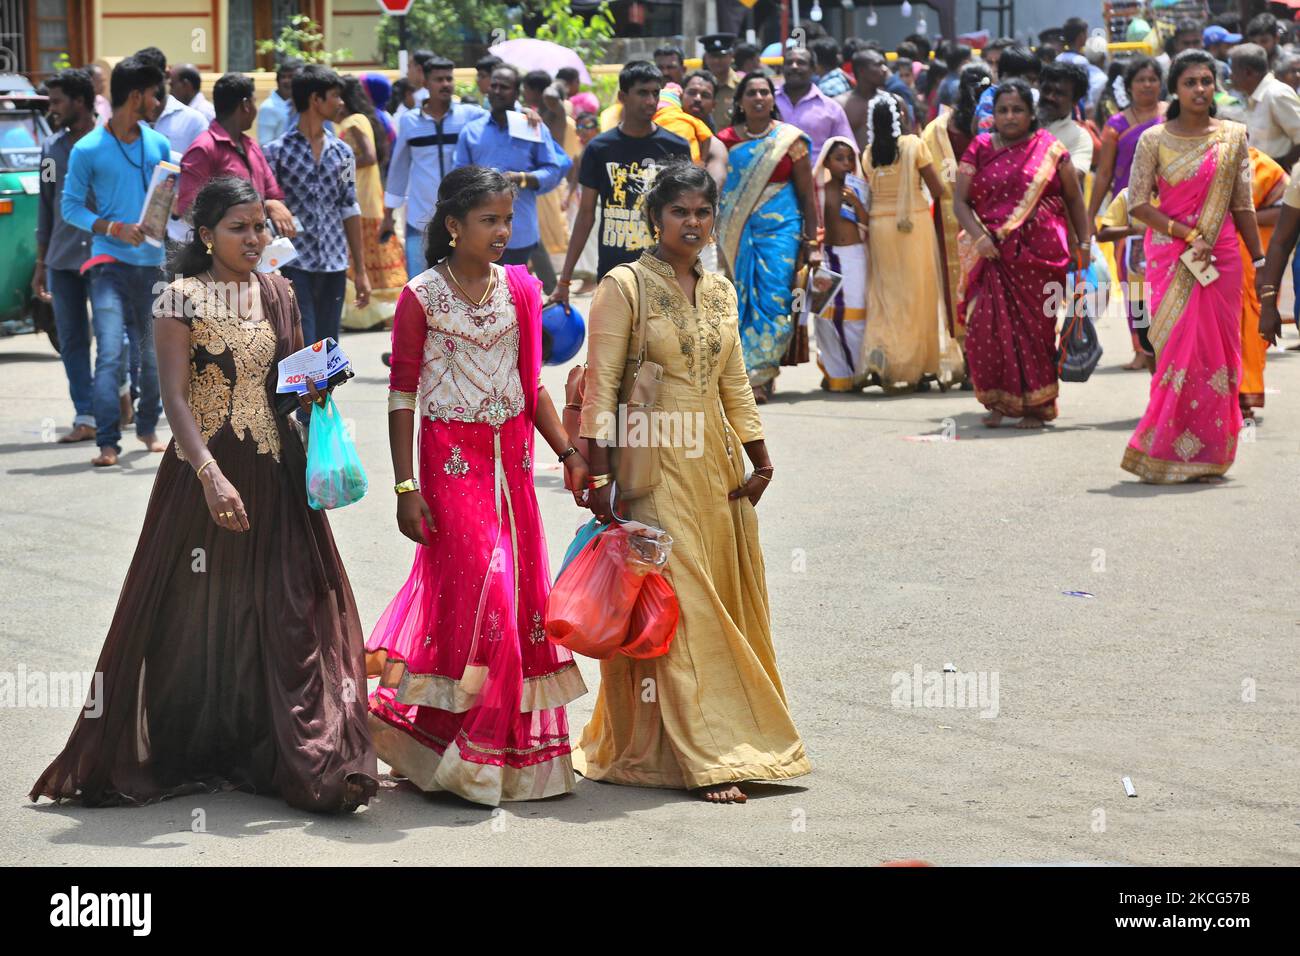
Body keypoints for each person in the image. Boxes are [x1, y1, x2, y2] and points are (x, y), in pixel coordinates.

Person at [30, 176, 379, 813]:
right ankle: (194, 744)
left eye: (260, 227)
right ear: (205, 235)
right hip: (204, 475)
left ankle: (294, 752)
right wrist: (210, 475)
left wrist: (318, 380)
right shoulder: (179, 297)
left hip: (275, 470)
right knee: (190, 611)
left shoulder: (278, 290)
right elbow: (175, 400)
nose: (254, 238)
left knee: (290, 606)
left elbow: (287, 381)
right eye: (238, 228)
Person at [576, 161, 810, 804]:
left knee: (721, 595)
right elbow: (600, 386)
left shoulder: (721, 290)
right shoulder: (624, 286)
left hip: (716, 462)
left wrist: (761, 459)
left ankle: (669, 745)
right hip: (651, 459)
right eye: (680, 211)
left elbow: (734, 382)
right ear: (655, 217)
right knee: (682, 599)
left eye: (703, 213)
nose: (693, 223)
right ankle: (709, 752)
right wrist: (596, 473)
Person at [365, 166, 589, 806]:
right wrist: (406, 485)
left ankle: (484, 753)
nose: (501, 232)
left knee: (514, 607)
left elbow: (530, 388)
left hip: (511, 464)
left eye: (507, 220)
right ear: (453, 225)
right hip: (450, 464)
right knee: (484, 591)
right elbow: (402, 395)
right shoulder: (420, 296)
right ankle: (469, 754)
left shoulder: (520, 288)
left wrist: (567, 453)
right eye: (488, 220)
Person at [1122, 50, 1264, 482]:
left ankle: (1211, 453)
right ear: (1176, 89)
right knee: (1177, 352)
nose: (1200, 89)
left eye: (1206, 81)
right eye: (1190, 82)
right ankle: (1164, 449)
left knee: (1218, 354)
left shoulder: (1233, 137)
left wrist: (1260, 260)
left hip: (1221, 259)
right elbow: (1138, 204)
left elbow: (1242, 204)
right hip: (1173, 256)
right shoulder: (1153, 139)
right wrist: (1186, 234)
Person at [954, 79, 1092, 428]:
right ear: (993, 115)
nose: (1010, 116)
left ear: (1032, 114)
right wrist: (979, 238)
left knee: (1036, 331)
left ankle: (1037, 404)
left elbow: (1074, 200)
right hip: (991, 253)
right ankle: (999, 400)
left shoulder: (1051, 149)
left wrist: (1084, 244)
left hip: (1039, 254)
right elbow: (960, 202)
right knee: (985, 328)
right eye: (1003, 110)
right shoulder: (980, 147)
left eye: (1018, 110)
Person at [63, 55, 170, 467]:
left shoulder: (158, 143)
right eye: (154, 94)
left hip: (152, 262)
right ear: (136, 95)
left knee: (153, 352)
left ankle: (147, 428)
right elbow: (71, 208)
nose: (159, 102)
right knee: (110, 350)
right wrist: (113, 228)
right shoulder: (88, 148)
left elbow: (164, 200)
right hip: (107, 262)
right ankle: (107, 441)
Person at [717, 70, 820, 403]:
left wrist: (812, 242)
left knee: (775, 299)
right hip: (736, 231)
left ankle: (761, 373)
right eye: (752, 93)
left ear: (773, 100)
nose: (759, 98)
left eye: (764, 92)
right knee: (738, 300)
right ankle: (742, 374)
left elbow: (808, 195)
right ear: (740, 102)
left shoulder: (791, 141)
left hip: (781, 230)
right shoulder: (726, 140)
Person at [552, 61, 691, 305]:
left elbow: (685, 213)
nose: (650, 101)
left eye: (655, 93)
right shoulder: (599, 148)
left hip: (664, 270)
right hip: (614, 271)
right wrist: (564, 281)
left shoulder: (675, 147)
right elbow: (585, 215)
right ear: (622, 96)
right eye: (642, 93)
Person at [264, 65, 370, 347]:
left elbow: (350, 207)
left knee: (328, 343)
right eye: (335, 96)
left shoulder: (343, 152)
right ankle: (307, 393)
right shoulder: (276, 152)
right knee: (304, 340)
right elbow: (265, 201)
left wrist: (360, 271)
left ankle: (325, 394)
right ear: (315, 99)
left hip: (334, 263)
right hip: (294, 263)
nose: (341, 103)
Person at [860, 92, 953, 393]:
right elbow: (938, 189)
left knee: (887, 294)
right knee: (918, 295)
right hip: (913, 224)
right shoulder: (914, 146)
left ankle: (885, 352)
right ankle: (919, 365)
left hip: (879, 226)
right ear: (900, 117)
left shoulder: (868, 153)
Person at [455, 65, 569, 289]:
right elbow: (458, 176)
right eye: (494, 85)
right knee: (481, 296)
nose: (496, 91)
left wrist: (521, 178)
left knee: (514, 298)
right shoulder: (472, 130)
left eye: (504, 87)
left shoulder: (531, 126)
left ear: (516, 93)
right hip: (478, 234)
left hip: (519, 231)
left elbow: (553, 170)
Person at [1089, 56, 1166, 370]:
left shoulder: (1172, 118)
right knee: (1134, 285)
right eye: (1140, 80)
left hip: (1169, 208)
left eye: (1152, 79)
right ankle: (1141, 347)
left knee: (1167, 283)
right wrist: (1089, 216)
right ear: (1129, 86)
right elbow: (1104, 173)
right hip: (1131, 213)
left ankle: (1169, 344)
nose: (1147, 85)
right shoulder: (1116, 125)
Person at [34, 68, 97, 444]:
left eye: (57, 101)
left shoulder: (112, 142)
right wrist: (41, 263)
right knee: (72, 339)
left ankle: (119, 397)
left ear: (80, 101)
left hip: (107, 257)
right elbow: (45, 207)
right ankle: (86, 415)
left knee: (114, 338)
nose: (52, 109)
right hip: (61, 260)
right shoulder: (49, 150)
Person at [383, 56, 485, 280]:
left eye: (449, 78)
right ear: (425, 83)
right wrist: (389, 213)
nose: (446, 84)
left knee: (459, 282)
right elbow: (399, 168)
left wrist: (525, 113)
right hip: (421, 217)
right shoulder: (410, 121)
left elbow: (498, 119)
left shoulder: (469, 116)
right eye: (439, 79)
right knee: (420, 282)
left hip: (462, 218)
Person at [924, 62, 991, 352]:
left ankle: (976, 350)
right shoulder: (940, 130)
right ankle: (970, 350)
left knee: (972, 280)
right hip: (968, 211)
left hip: (972, 209)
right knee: (967, 280)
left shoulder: (995, 121)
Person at [176, 73, 292, 239]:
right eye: (253, 101)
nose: (255, 109)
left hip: (254, 251)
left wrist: (271, 205)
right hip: (218, 256)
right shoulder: (204, 149)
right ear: (246, 105)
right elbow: (189, 209)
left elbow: (273, 194)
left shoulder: (251, 146)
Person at [337, 75, 405, 328]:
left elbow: (368, 156)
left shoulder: (353, 120)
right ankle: (371, 315)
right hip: (367, 199)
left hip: (362, 200)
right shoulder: (359, 119)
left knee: (363, 262)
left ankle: (370, 314)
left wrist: (337, 171)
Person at [811, 137, 869, 391]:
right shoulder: (819, 189)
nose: (845, 164)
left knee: (855, 316)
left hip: (855, 256)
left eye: (849, 159)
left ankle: (858, 371)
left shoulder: (860, 188)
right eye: (839, 158)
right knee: (824, 316)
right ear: (826, 162)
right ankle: (838, 374)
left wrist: (856, 203)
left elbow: (869, 223)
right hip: (827, 256)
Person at [1235, 146, 1286, 419]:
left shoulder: (1265, 168)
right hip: (1214, 259)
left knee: (1253, 328)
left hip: (1256, 263)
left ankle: (1245, 394)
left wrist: (1241, 218)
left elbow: (1285, 212)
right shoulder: (1205, 165)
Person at [776, 47, 853, 163]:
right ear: (782, 68)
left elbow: (847, 149)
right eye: (789, 63)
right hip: (773, 177)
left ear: (813, 69)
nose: (794, 66)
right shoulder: (768, 102)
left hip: (817, 178)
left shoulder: (831, 108)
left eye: (801, 63)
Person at [1232, 42, 1300, 172]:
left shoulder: (1276, 94)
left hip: (1278, 181)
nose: (1231, 77)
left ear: (1247, 72)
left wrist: (1280, 166)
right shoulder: (1253, 97)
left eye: (1234, 71)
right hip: (1260, 179)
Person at [1038, 60, 1094, 175]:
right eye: (1046, 90)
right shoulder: (1021, 121)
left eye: (1059, 93)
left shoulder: (1080, 138)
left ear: (1075, 101)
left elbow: (1074, 178)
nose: (1050, 97)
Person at [974, 45, 1040, 135]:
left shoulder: (987, 94)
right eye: (1029, 79)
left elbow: (974, 127)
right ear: (1008, 76)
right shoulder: (991, 98)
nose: (1033, 85)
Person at [839, 49, 896, 152]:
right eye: (878, 65)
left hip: (888, 167)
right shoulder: (840, 105)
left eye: (884, 64)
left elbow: (907, 143)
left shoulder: (893, 102)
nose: (885, 69)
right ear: (861, 70)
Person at [702, 32, 741, 130]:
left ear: (731, 56)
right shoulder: (697, 87)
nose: (716, 61)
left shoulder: (742, 87)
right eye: (712, 56)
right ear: (706, 58)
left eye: (721, 56)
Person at [257, 60, 299, 146]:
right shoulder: (269, 107)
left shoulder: (306, 104)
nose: (286, 81)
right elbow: (265, 145)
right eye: (283, 77)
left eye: (291, 77)